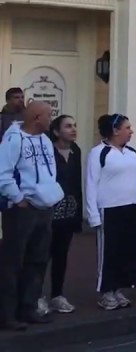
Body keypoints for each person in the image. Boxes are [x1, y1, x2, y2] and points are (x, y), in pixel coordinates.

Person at [0, 101, 62, 330]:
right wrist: (18, 198)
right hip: (22, 209)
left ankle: (28, 307)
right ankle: (8, 314)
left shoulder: (45, 140)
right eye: (48, 115)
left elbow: (50, 172)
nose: (51, 119)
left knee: (37, 260)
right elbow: (3, 172)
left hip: (44, 207)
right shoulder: (14, 139)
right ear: (36, 117)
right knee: (13, 261)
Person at [86, 114, 136, 311]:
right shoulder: (99, 153)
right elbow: (91, 184)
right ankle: (106, 290)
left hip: (134, 207)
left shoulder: (132, 153)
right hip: (110, 209)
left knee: (129, 250)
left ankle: (120, 287)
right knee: (110, 251)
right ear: (115, 130)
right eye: (127, 127)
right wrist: (93, 214)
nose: (131, 131)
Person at [43, 115, 82, 316]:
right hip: (50, 211)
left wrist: (78, 215)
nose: (73, 129)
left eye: (74, 126)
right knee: (43, 254)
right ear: (57, 131)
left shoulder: (76, 151)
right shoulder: (47, 150)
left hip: (69, 211)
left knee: (61, 255)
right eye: (68, 126)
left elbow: (77, 184)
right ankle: (36, 297)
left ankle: (57, 295)